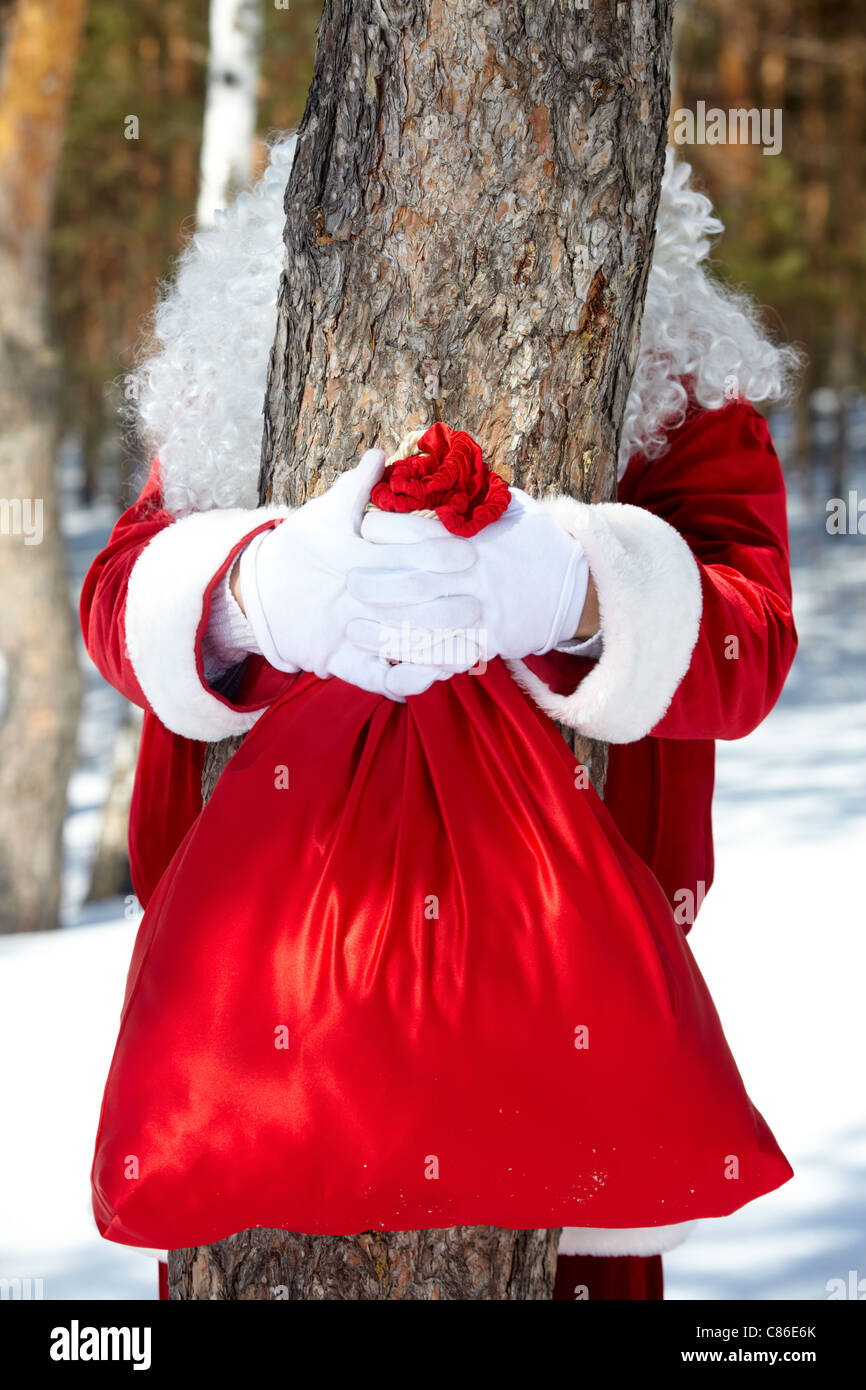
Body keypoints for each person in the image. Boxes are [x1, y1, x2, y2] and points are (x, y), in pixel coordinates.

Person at [81, 143, 799, 1300]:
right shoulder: (243, 355)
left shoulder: (672, 383)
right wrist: (245, 597)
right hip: (254, 1049)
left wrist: (574, 592)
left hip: (548, 1041)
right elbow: (115, 603)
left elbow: (746, 646)